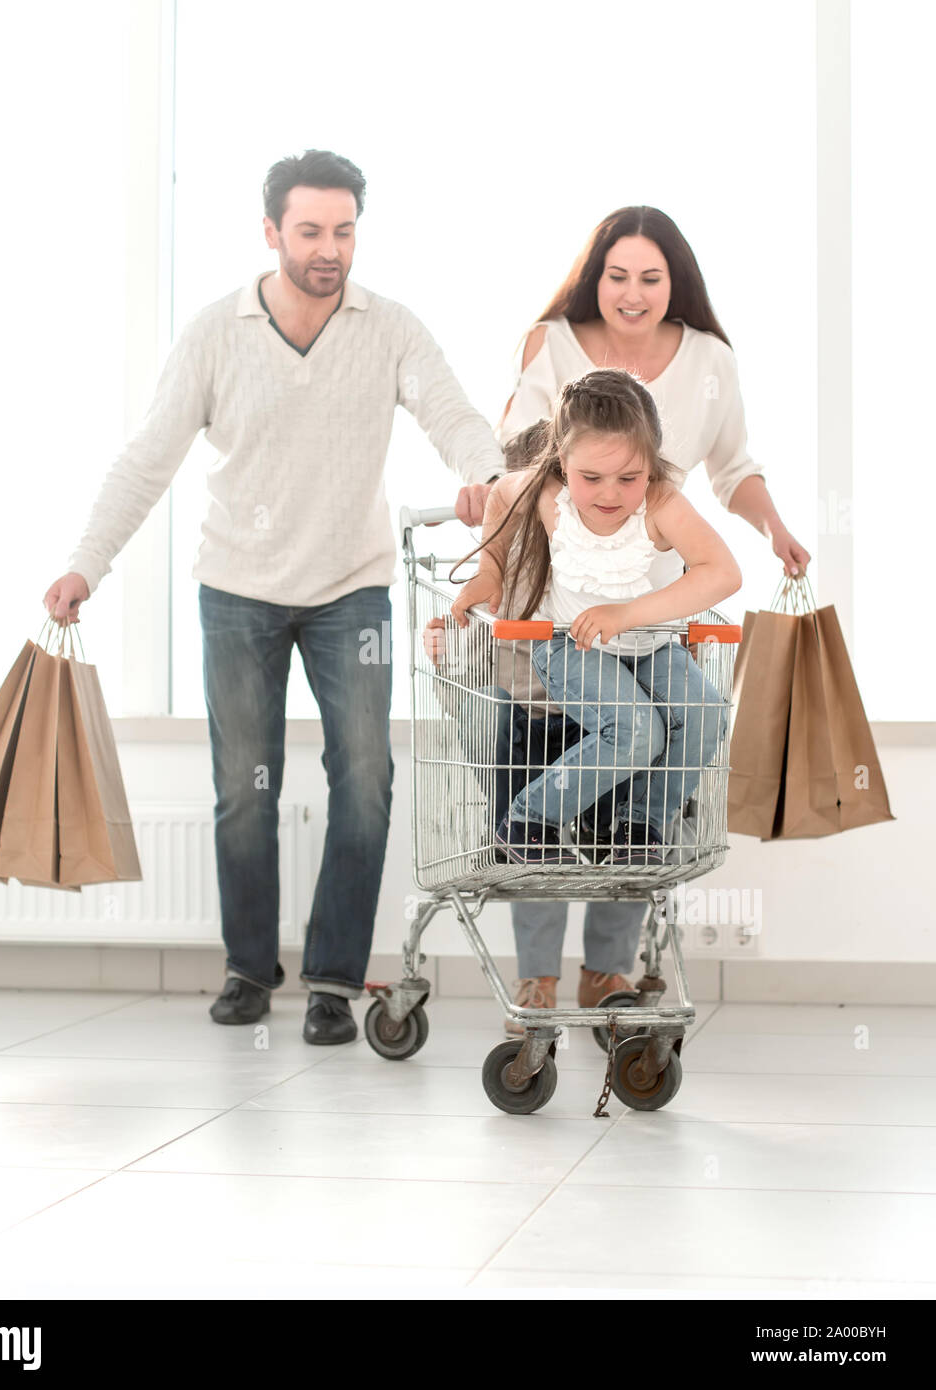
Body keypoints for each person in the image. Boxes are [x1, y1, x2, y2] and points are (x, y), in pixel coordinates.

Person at [41, 149, 505, 1046]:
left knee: (366, 780)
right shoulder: (216, 334)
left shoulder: (391, 328)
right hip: (238, 592)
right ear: (271, 233)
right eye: (310, 231)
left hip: (352, 590)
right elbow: (146, 460)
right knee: (244, 790)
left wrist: (485, 469)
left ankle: (334, 981)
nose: (329, 249)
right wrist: (85, 564)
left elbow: (450, 411)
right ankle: (249, 969)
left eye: (344, 231)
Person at [487, 205, 811, 1020]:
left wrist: (771, 524)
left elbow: (733, 465)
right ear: (597, 277)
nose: (632, 293)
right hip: (554, 615)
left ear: (678, 286)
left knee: (635, 773)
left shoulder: (708, 362)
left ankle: (605, 970)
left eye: (651, 278)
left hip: (652, 609)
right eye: (617, 275)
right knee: (549, 762)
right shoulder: (553, 342)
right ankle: (537, 978)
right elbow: (513, 460)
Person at [452, 370, 739, 868]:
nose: (610, 494)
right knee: (638, 731)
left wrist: (628, 614)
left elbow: (723, 573)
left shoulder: (662, 504)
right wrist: (489, 572)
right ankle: (529, 819)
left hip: (648, 646)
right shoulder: (547, 495)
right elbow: (500, 496)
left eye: (629, 478)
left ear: (650, 466)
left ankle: (639, 824)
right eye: (591, 478)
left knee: (706, 712)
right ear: (564, 463)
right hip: (571, 648)